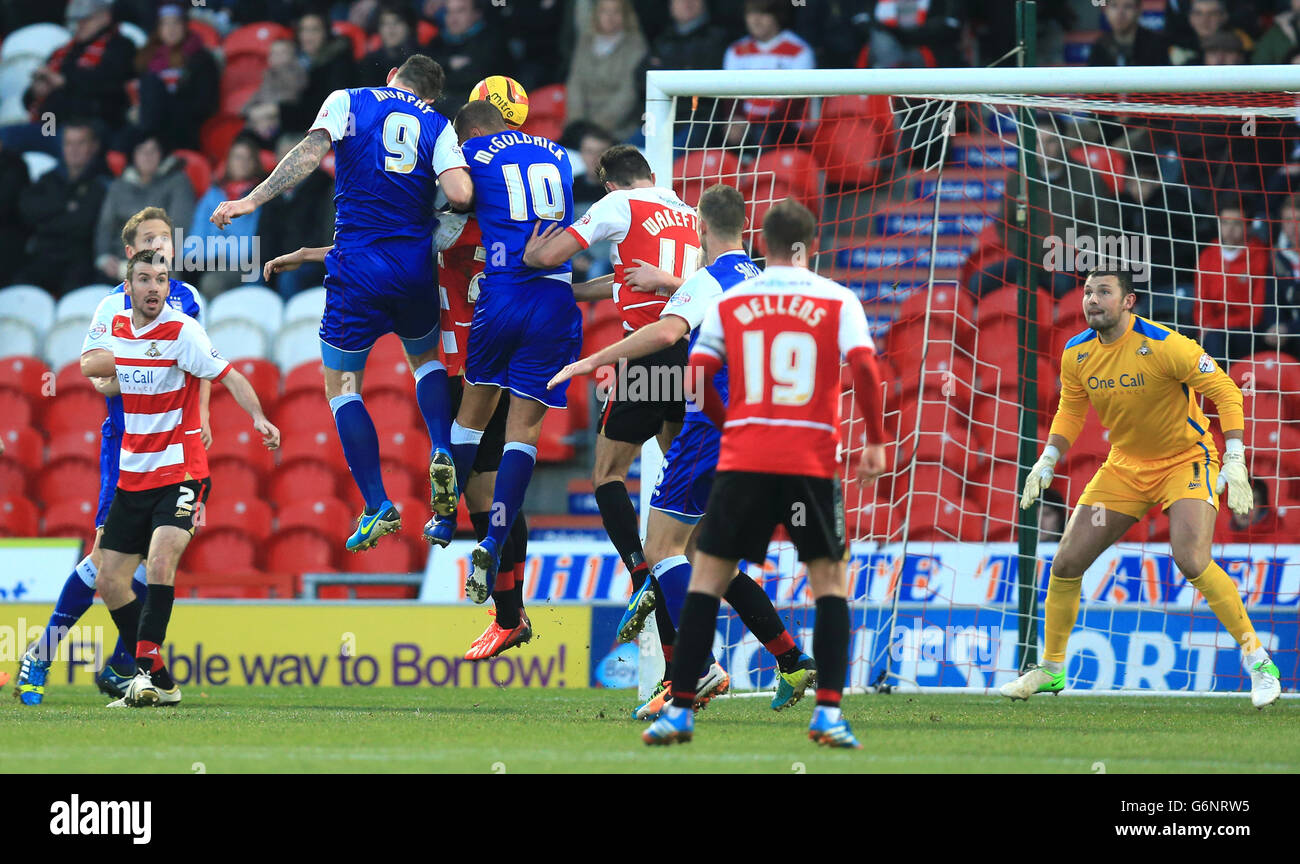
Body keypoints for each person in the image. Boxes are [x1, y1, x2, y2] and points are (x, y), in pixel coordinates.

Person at [548, 184, 820, 717]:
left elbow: (664, 331)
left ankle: (692, 673)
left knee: (661, 549)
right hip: (760, 433)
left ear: (699, 227)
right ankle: (790, 659)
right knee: (707, 556)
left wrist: (589, 362)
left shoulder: (709, 279)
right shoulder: (764, 280)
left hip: (709, 432)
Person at [639, 198, 889, 747]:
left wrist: (731, 425)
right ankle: (827, 714)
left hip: (745, 455)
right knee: (829, 586)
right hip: (811, 458)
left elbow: (697, 376)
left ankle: (681, 709)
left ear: (764, 246)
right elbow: (866, 369)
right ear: (811, 246)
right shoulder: (836, 297)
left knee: (706, 576)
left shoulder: (732, 298)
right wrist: (874, 440)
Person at [211, 55, 473, 553]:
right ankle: (440, 446)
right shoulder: (437, 124)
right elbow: (460, 194)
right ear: (431, 97)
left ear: (391, 76)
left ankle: (377, 504)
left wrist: (251, 199)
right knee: (424, 362)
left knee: (343, 388)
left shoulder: (349, 100)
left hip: (356, 269)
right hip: (414, 266)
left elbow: (309, 153)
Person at [1010, 268, 1282, 709]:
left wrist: (1234, 458)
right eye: (1087, 293)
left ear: (1128, 301)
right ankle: (1053, 669)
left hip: (1186, 460)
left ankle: (1259, 663)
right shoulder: (1076, 354)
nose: (1092, 300)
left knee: (1191, 558)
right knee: (1065, 562)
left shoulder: (1165, 345)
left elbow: (1227, 392)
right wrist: (1048, 458)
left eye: (1103, 292)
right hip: (1125, 468)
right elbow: (1070, 410)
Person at [13, 207, 208, 706]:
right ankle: (41, 652)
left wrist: (202, 418)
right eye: (150, 241)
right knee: (107, 559)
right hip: (126, 443)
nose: (161, 247)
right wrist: (137, 370)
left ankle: (125, 667)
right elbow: (94, 373)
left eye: (166, 240)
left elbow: (201, 365)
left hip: (176, 446)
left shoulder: (187, 300)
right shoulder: (109, 309)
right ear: (130, 252)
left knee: (156, 562)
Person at [521, 144, 699, 675]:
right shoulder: (686, 213)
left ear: (609, 184)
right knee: (674, 502)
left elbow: (549, 255)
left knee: (607, 476)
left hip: (644, 354)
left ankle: (638, 571)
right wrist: (577, 293)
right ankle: (682, 659)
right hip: (686, 355)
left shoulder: (618, 206)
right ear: (650, 174)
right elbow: (632, 278)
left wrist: (534, 259)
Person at [79, 249, 278, 707]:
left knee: (161, 559)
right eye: (145, 279)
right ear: (127, 289)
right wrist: (113, 379)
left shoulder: (184, 330)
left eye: (162, 280)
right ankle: (161, 680)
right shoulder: (119, 332)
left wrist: (259, 418)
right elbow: (104, 374)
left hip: (181, 472)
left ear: (169, 288)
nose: (154, 287)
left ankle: (142, 677)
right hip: (133, 475)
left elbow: (230, 375)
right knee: (109, 581)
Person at [424, 100, 576, 611]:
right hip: (551, 301)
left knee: (470, 443)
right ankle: (504, 596)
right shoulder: (556, 154)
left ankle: (509, 610)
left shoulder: (460, 182)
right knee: (503, 466)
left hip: (487, 328)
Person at [15, 120, 109, 296]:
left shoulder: (102, 184)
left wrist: (48, 216)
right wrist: (66, 206)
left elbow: (83, 225)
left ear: (94, 146)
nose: (73, 150)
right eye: (68, 143)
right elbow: (26, 210)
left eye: (80, 143)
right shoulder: (48, 178)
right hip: (43, 256)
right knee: (18, 292)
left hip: (79, 261)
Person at [95, 134, 196, 282]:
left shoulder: (178, 182)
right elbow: (105, 225)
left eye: (153, 151)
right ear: (133, 155)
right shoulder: (119, 185)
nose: (147, 157)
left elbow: (180, 226)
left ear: (162, 154)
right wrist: (104, 258)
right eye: (142, 151)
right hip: (118, 263)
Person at [722, 0, 815, 147]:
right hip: (746, 126)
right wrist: (735, 120)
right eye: (751, 13)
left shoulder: (799, 50)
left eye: (763, 13)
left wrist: (766, 124)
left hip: (785, 126)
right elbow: (730, 96)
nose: (756, 20)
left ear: (777, 16)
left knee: (770, 132)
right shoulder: (736, 50)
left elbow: (797, 100)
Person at [134, 3, 219, 153]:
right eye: (165, 24)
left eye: (175, 23)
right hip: (153, 126)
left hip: (187, 127)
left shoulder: (202, 58)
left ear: (185, 26)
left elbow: (205, 103)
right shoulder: (148, 56)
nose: (170, 29)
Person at [190, 136, 266, 296]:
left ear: (256, 163)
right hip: (207, 261)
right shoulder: (213, 194)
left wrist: (219, 254)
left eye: (248, 158)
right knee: (172, 275)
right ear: (228, 161)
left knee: (211, 283)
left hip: (243, 265)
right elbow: (194, 239)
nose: (243, 163)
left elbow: (253, 245)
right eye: (238, 157)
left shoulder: (261, 197)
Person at [1195, 199, 1269, 363]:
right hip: (1213, 330)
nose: (1229, 229)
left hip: (1246, 329)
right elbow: (1201, 302)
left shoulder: (1259, 256)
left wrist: (1218, 324)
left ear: (1247, 227)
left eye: (1236, 224)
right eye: (1225, 223)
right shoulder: (1208, 255)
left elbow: (1257, 311)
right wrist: (1206, 325)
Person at [564, 0, 648, 143]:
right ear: (597, 14)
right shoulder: (586, 41)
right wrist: (577, 122)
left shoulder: (636, 45)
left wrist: (596, 126)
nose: (610, 17)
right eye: (604, 11)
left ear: (626, 16)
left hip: (617, 130)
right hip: (580, 127)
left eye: (616, 12)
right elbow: (575, 83)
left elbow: (628, 93)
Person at [427, 0, 507, 120]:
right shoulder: (436, 43)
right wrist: (449, 64)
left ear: (477, 14)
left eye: (460, 11)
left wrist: (443, 70)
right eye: (449, 12)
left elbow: (478, 78)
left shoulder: (492, 42)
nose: (453, 18)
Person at [282, 11, 356, 132]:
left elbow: (326, 108)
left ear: (326, 34)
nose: (308, 36)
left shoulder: (338, 64)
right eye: (303, 30)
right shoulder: (297, 62)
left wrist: (278, 111)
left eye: (314, 30)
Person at [1087, 0, 1169, 67]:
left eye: (1127, 6)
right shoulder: (1100, 46)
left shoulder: (1156, 44)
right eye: (1114, 5)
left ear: (1138, 10)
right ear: (1105, 10)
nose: (1120, 13)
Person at [360, 4, 422, 87]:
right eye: (385, 23)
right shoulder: (369, 63)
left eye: (397, 22)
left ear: (409, 27)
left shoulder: (422, 61)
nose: (390, 29)